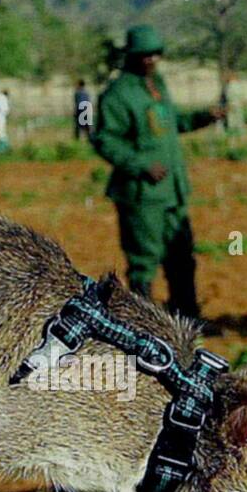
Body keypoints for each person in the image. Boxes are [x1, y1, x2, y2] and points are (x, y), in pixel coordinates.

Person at [91, 26, 222, 318]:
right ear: (131, 56)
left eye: (155, 54)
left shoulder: (157, 86)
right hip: (142, 195)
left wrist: (204, 117)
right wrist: (140, 164)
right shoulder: (117, 94)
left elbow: (173, 123)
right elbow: (104, 140)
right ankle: (145, 328)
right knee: (143, 264)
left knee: (182, 258)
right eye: (144, 55)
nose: (151, 60)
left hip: (173, 191)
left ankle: (189, 319)